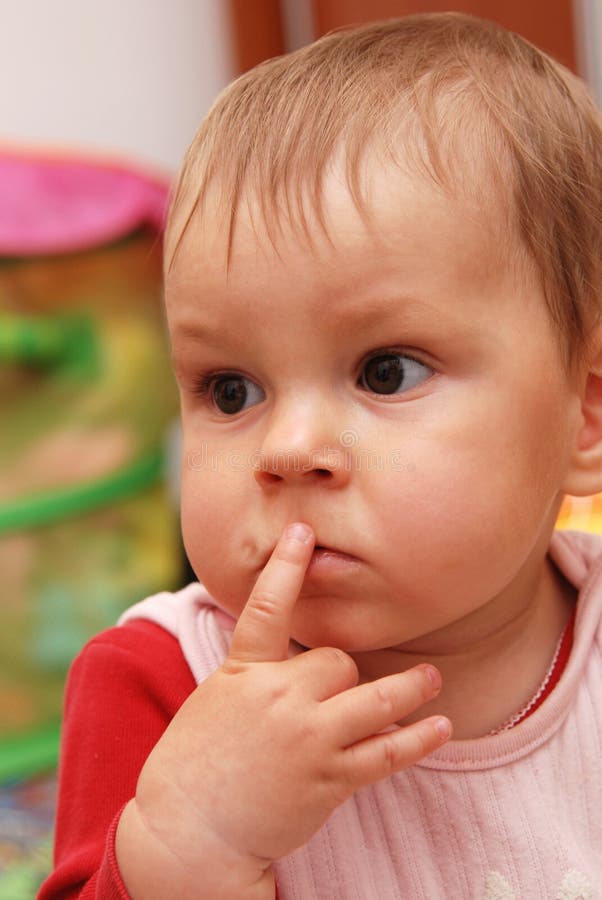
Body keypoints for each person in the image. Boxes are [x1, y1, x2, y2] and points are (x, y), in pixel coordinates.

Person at [40, 11, 602, 899]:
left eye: (386, 372)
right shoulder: (155, 682)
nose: (289, 449)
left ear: (585, 413)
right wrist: (191, 844)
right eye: (231, 390)